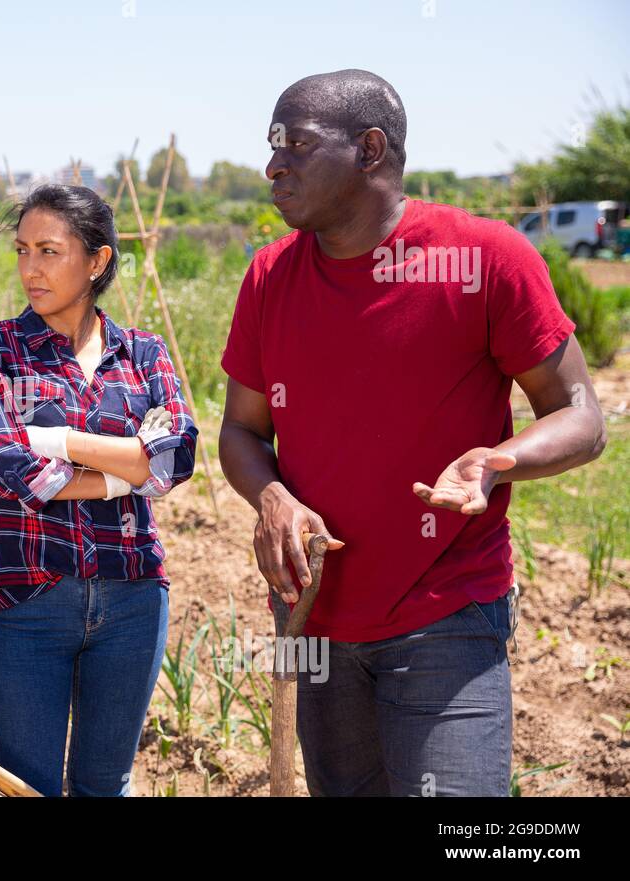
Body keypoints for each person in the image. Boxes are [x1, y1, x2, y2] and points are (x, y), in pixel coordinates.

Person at [218, 70, 607, 796]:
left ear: (370, 150)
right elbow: (240, 431)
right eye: (270, 146)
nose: (273, 165)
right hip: (315, 616)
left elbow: (583, 416)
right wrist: (271, 496)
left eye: (296, 144)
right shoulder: (270, 275)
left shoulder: (486, 259)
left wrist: (499, 459)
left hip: (448, 616)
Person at [0, 184, 199, 796]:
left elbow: (174, 461)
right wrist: (129, 472)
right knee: (24, 786)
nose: (30, 269)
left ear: (96, 261)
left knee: (105, 784)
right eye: (21, 251)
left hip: (133, 597)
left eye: (48, 250)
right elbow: (2, 464)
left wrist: (59, 439)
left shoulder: (142, 353)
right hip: (30, 597)